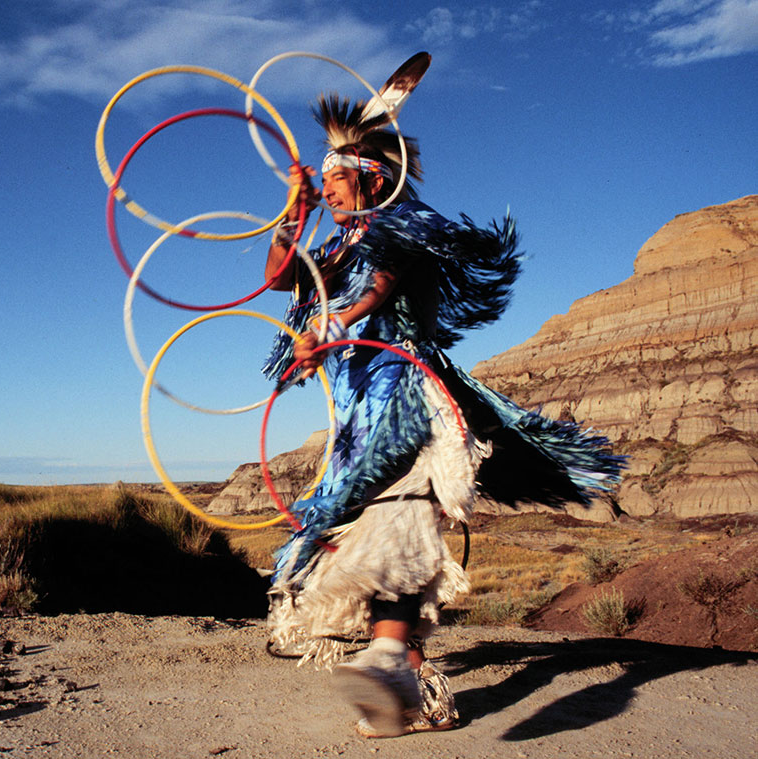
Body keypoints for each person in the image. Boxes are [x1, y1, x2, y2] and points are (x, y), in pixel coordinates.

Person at [262, 91, 623, 739]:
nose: (328, 188)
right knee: (368, 538)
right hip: (357, 417)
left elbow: (383, 285)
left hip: (410, 397)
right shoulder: (339, 249)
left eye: (335, 177)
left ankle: (385, 660)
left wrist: (331, 323)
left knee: (397, 519)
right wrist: (294, 207)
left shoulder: (398, 229)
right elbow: (278, 275)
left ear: (373, 175)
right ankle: (417, 691)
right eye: (322, 180)